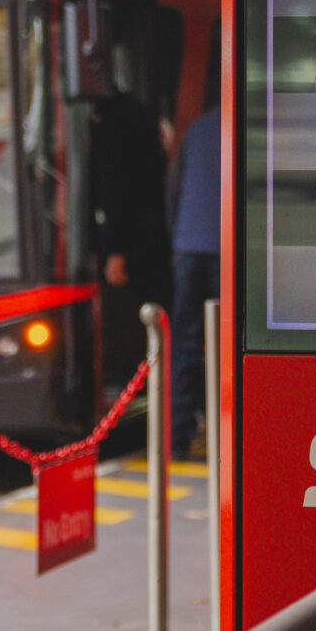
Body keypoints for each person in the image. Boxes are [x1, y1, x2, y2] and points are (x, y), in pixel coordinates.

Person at [89, 87, 171, 384]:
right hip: (153, 236)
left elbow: (113, 193)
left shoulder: (113, 132)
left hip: (133, 243)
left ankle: (146, 378)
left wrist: (114, 250)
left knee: (141, 314)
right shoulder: (141, 123)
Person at [167, 103, 220, 456]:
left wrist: (178, 237)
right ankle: (225, 432)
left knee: (183, 345)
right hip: (226, 252)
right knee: (226, 343)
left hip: (189, 248)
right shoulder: (247, 128)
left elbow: (172, 188)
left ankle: (178, 436)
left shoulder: (198, 128)